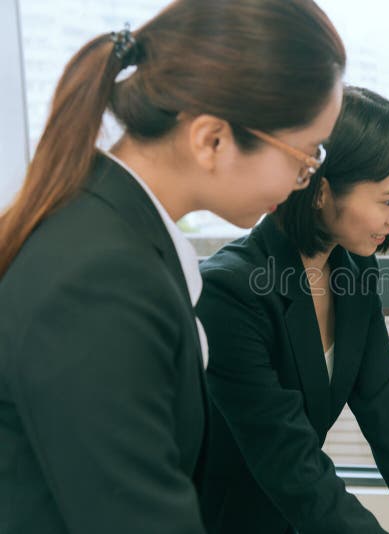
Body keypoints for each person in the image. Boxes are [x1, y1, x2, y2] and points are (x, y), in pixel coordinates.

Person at [0, 1, 345, 533]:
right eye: (305, 156)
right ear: (212, 140)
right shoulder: (101, 281)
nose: (306, 179)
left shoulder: (115, 232)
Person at [196, 86, 389, 534]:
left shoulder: (353, 269)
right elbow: (287, 459)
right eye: (387, 199)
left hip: (297, 516)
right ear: (320, 190)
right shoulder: (231, 290)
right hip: (223, 519)